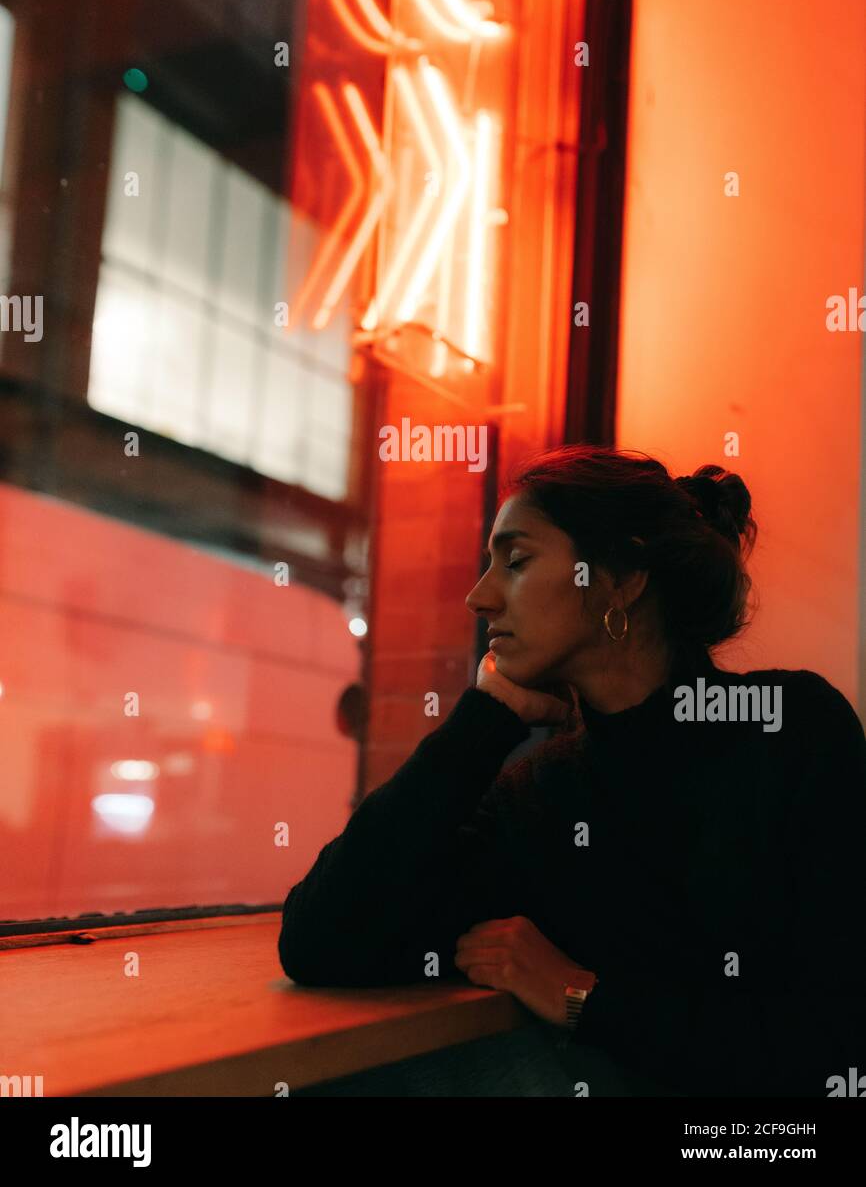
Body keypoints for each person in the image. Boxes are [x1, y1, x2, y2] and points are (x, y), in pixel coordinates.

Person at [279, 445, 866, 1097]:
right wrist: (485, 721)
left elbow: (833, 1048)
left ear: (621, 579)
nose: (480, 597)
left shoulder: (790, 729)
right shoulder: (541, 792)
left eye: (518, 560)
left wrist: (582, 997)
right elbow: (319, 941)